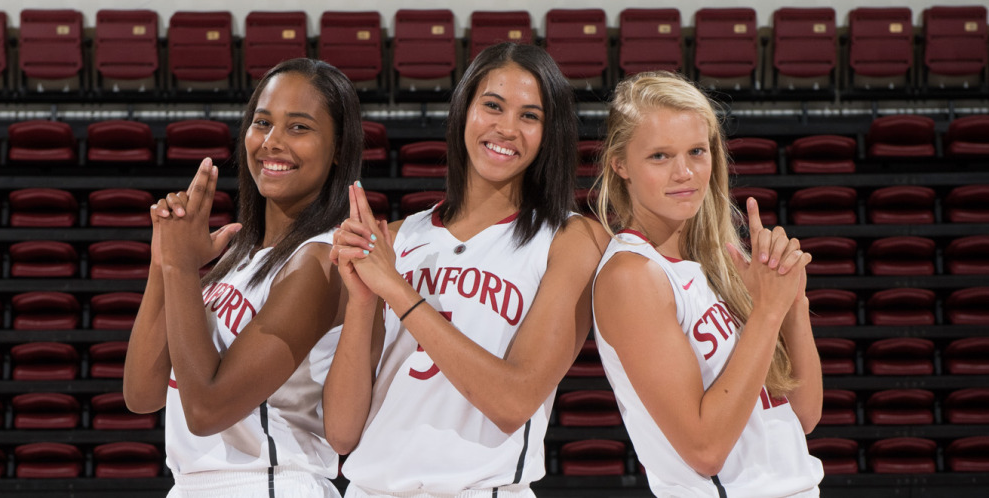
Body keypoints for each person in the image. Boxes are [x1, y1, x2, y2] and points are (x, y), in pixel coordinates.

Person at [322, 42, 609, 497]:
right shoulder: (396, 239)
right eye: (492, 106)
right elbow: (340, 432)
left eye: (529, 116)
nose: (507, 128)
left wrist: (395, 290)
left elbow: (513, 402)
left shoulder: (571, 239)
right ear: (463, 111)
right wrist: (362, 301)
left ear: (550, 132)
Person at [123, 58, 363, 497]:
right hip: (194, 485)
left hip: (269, 482)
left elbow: (207, 409)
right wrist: (165, 262)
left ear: (338, 149)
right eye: (263, 123)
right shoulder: (235, 255)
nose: (272, 142)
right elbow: (143, 394)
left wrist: (180, 267)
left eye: (299, 128)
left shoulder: (319, 262)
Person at [591, 71, 824, 497]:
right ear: (620, 164)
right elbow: (705, 449)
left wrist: (793, 303)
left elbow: (803, 415)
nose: (684, 172)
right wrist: (767, 312)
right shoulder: (633, 276)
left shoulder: (725, 260)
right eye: (660, 156)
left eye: (697, 151)